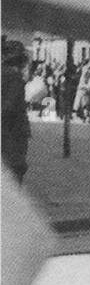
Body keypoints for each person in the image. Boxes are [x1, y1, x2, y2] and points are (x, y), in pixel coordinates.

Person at [2, 39, 31, 183]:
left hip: (8, 129)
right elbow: (10, 105)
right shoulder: (13, 77)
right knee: (15, 168)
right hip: (13, 131)